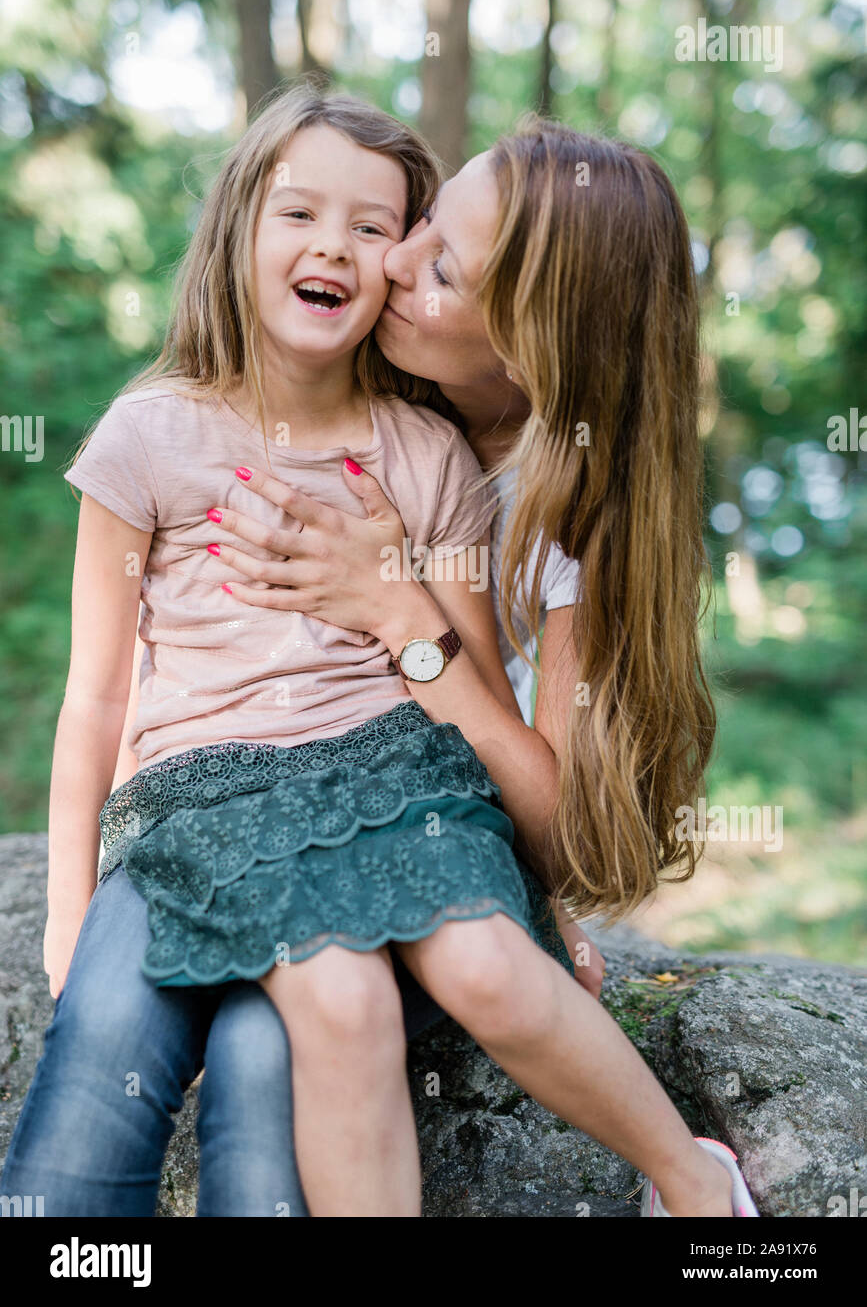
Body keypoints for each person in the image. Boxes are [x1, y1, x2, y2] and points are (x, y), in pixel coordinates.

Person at [0, 85, 757, 1218]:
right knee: (204, 1050)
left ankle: (698, 1183)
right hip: (221, 816)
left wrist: (405, 619)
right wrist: (85, 884)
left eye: (428, 259)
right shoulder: (207, 415)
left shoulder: (511, 498)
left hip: (394, 812)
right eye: (425, 229)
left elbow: (537, 796)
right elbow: (113, 679)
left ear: (526, 337)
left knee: (325, 1022)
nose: (388, 263)